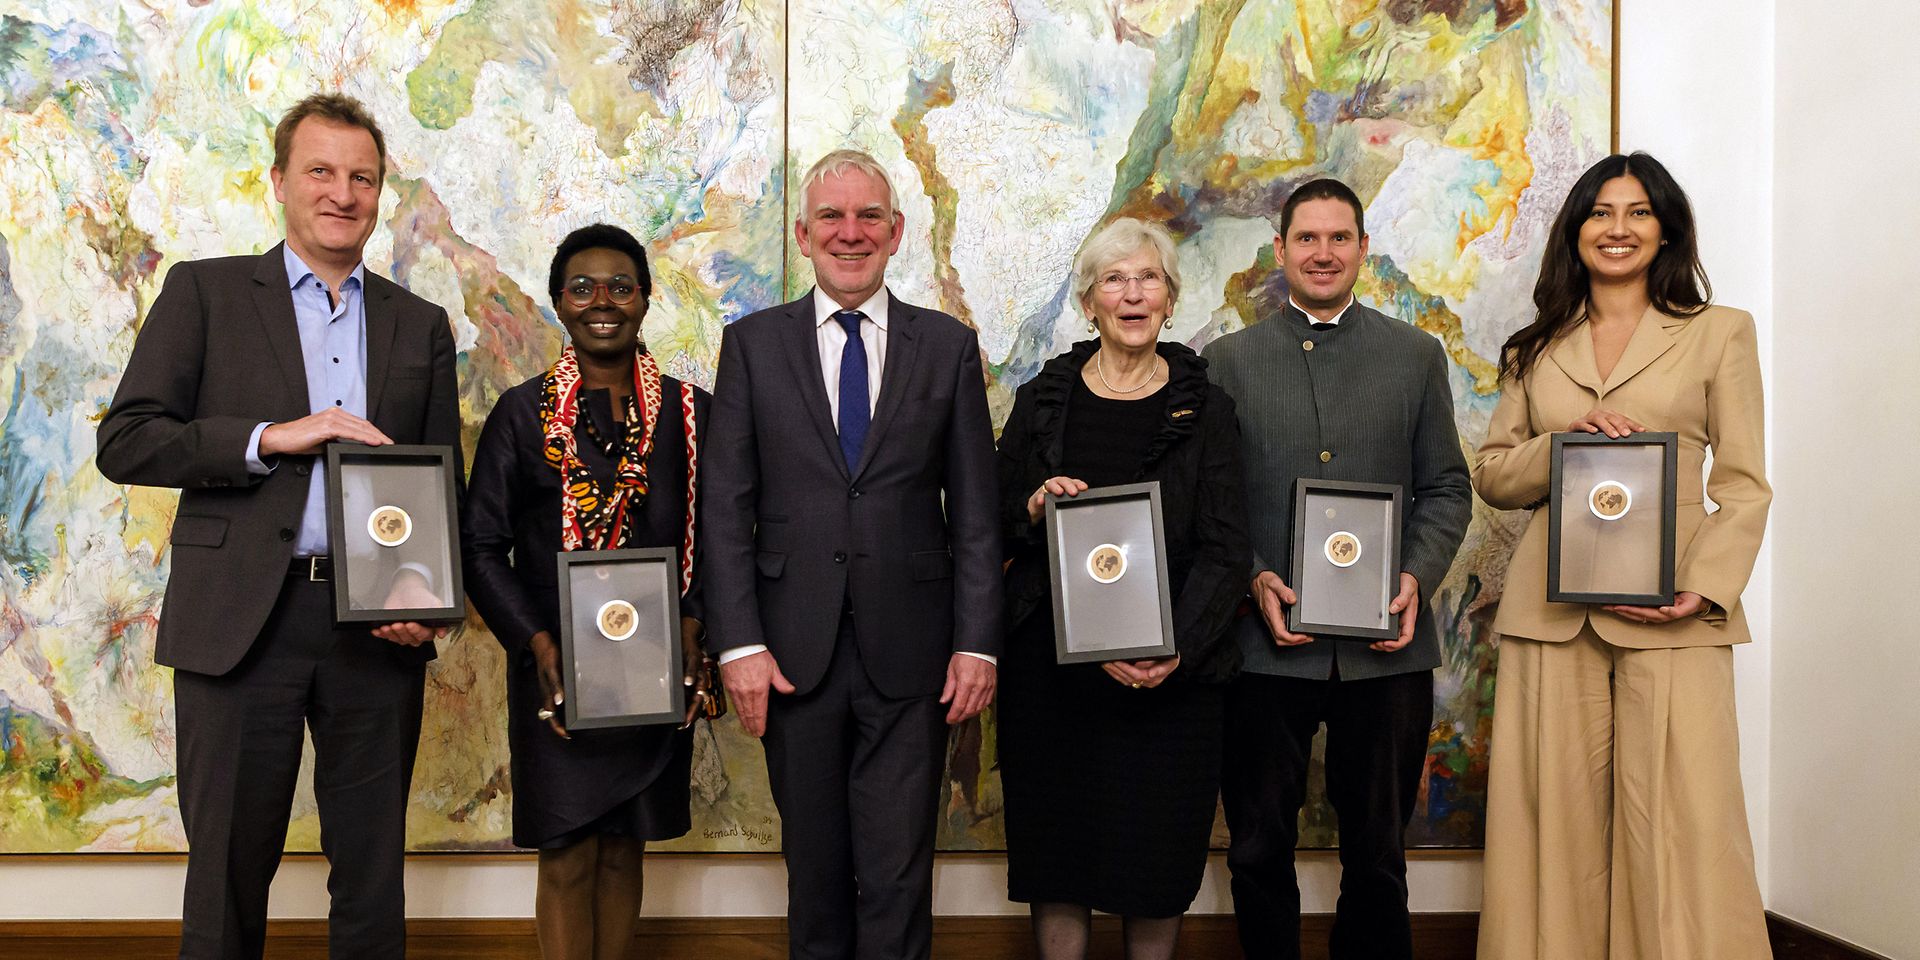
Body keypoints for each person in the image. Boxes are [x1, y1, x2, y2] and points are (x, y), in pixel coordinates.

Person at [95, 93, 459, 959]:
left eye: (362, 177)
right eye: (322, 172)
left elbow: (440, 482)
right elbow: (126, 438)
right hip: (237, 624)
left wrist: (425, 596)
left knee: (372, 876)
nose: (344, 193)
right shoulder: (205, 291)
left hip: (375, 632)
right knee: (226, 870)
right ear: (280, 184)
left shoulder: (421, 324)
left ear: (380, 192)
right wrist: (271, 438)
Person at [701, 149, 1002, 960]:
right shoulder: (753, 346)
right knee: (817, 873)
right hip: (790, 654)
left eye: (868, 215)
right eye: (831, 217)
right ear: (802, 234)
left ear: (896, 231)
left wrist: (977, 642)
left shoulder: (947, 347)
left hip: (915, 656)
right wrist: (738, 645)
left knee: (900, 875)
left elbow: (976, 513)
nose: (850, 232)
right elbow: (723, 511)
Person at [1472, 152, 1771, 958]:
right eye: (1602, 212)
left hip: (1675, 611)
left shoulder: (1721, 333)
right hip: (1551, 612)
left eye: (1638, 212)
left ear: (1666, 226)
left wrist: (1703, 592)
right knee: (1552, 829)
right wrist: (1559, 444)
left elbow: (1744, 486)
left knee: (1683, 823)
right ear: (1575, 231)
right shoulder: (1533, 348)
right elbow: (1495, 476)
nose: (1619, 228)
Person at [1204, 178, 1472, 960]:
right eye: (1307, 238)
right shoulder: (1226, 362)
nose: (1323, 252)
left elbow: (1448, 486)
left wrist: (1415, 577)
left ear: (1363, 250)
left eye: (1339, 238)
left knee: (1380, 856)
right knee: (1256, 848)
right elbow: (1210, 505)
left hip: (1385, 654)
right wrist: (1254, 577)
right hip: (1261, 651)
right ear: (1279, 250)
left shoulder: (1416, 356)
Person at [994, 218, 1251, 959]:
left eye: (1148, 279)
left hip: (1171, 681)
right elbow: (995, 517)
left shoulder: (1209, 409)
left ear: (1170, 299)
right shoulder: (1045, 397)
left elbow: (1227, 548)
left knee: (1155, 863)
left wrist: (1172, 649)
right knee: (1060, 860)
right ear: (1089, 302)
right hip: (1054, 679)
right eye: (1114, 279)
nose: (1132, 294)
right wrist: (1035, 507)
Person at [462, 224, 712, 959]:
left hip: (656, 669)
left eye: (620, 286)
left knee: (625, 847)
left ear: (646, 299)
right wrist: (537, 643)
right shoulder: (520, 413)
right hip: (557, 668)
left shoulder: (692, 415)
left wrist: (696, 625)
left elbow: (722, 538)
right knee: (569, 851)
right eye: (582, 287)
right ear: (557, 304)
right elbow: (481, 547)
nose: (602, 302)